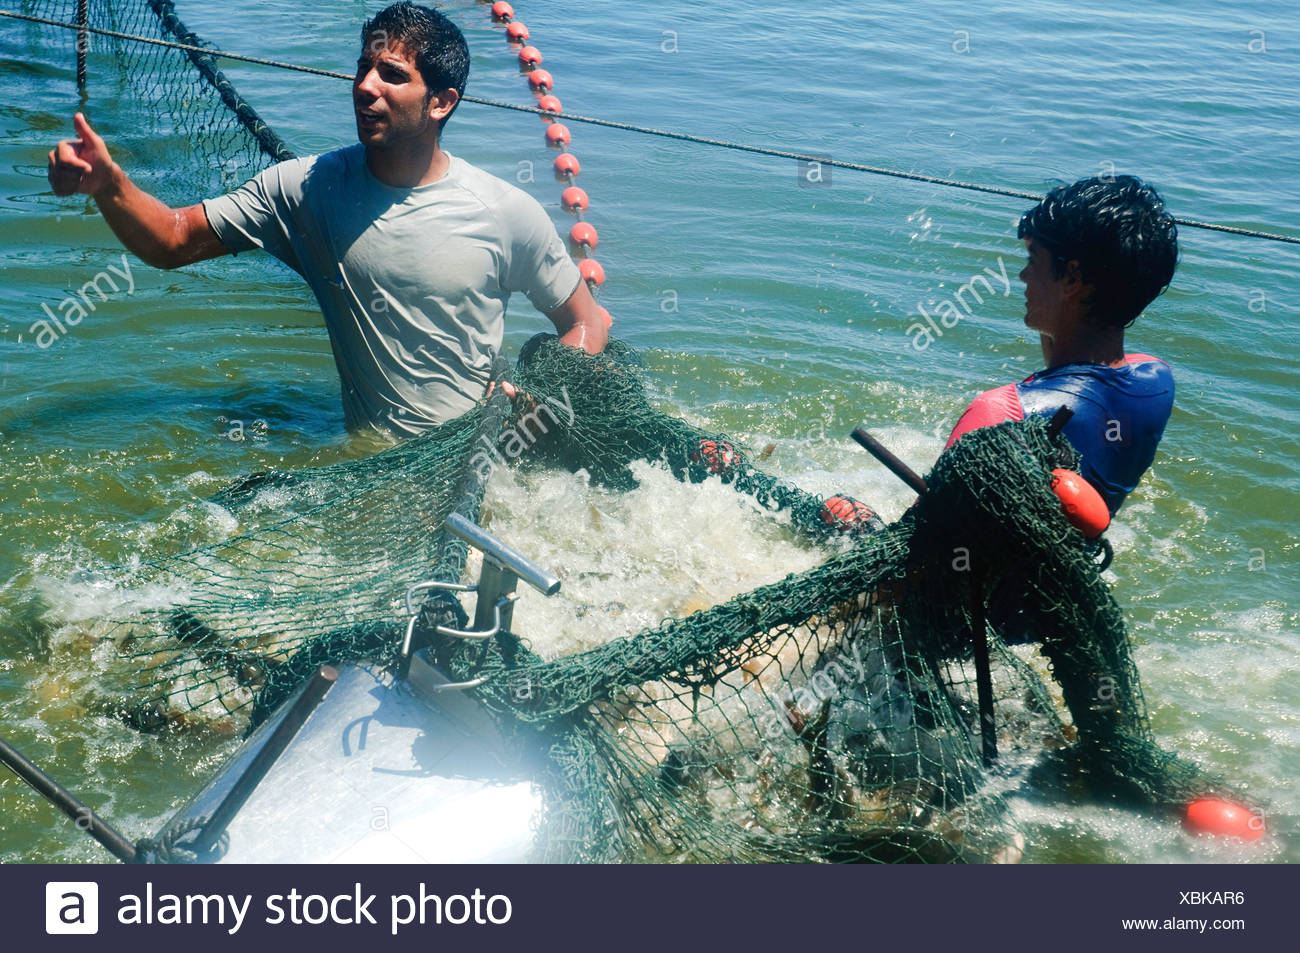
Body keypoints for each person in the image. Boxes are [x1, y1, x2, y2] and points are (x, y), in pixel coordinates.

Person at [46, 2, 607, 438]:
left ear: (440, 103)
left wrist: (540, 393)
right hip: (373, 463)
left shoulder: (505, 213)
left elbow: (587, 323)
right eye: (363, 68)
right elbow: (173, 239)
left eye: (391, 74)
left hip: (479, 458)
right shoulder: (304, 190)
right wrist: (109, 185)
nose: (364, 86)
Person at [945, 175, 1178, 514]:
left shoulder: (999, 413)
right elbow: (1076, 378)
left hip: (975, 564)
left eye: (1032, 260)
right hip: (1073, 556)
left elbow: (917, 549)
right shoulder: (1158, 382)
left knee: (840, 510)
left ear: (1072, 278)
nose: (1022, 276)